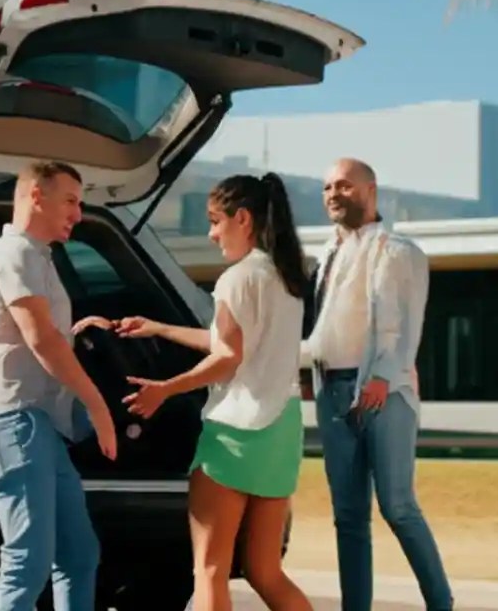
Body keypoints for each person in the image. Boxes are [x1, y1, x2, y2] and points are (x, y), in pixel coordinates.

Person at [93, 173, 313, 611]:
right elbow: (232, 345)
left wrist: (165, 389)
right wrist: (158, 328)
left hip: (235, 436)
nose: (211, 234)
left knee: (209, 569)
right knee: (265, 571)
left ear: (243, 218)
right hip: (282, 432)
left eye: (215, 221)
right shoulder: (285, 279)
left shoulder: (236, 279)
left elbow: (229, 357)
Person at [0, 160, 118, 611]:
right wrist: (98, 405)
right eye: (70, 200)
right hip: (14, 422)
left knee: (77, 555)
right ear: (36, 195)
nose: (78, 212)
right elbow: (39, 337)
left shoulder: (36, 256)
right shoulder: (16, 254)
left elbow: (45, 332)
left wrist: (78, 330)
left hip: (39, 427)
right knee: (27, 563)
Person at [302, 158, 453, 610]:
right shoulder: (327, 255)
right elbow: (324, 326)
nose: (333, 193)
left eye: (344, 185)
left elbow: (401, 324)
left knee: (398, 506)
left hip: (382, 391)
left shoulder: (397, 250)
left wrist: (383, 377)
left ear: (370, 191)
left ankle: (441, 603)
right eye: (328, 186)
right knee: (348, 517)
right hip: (332, 392)